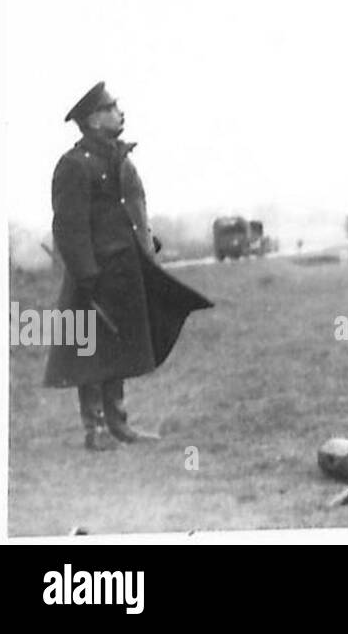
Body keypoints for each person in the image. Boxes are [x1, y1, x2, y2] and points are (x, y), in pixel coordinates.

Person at [44, 82, 213, 450]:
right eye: (112, 107)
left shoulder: (122, 159)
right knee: (90, 350)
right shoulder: (73, 165)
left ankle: (119, 424)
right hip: (93, 275)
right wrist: (87, 275)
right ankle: (97, 429)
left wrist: (146, 245)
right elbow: (69, 227)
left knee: (117, 347)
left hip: (125, 271)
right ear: (93, 119)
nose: (121, 112)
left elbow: (132, 212)